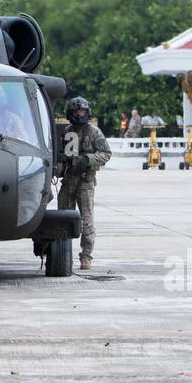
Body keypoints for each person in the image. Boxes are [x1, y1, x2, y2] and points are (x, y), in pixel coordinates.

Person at [56, 95, 111, 271]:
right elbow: (60, 155)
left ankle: (86, 256)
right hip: (68, 181)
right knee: (63, 219)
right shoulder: (66, 132)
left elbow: (106, 154)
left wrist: (88, 159)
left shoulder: (94, 132)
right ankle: (62, 254)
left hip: (85, 182)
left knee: (86, 220)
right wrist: (58, 167)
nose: (81, 114)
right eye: (78, 111)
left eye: (83, 111)